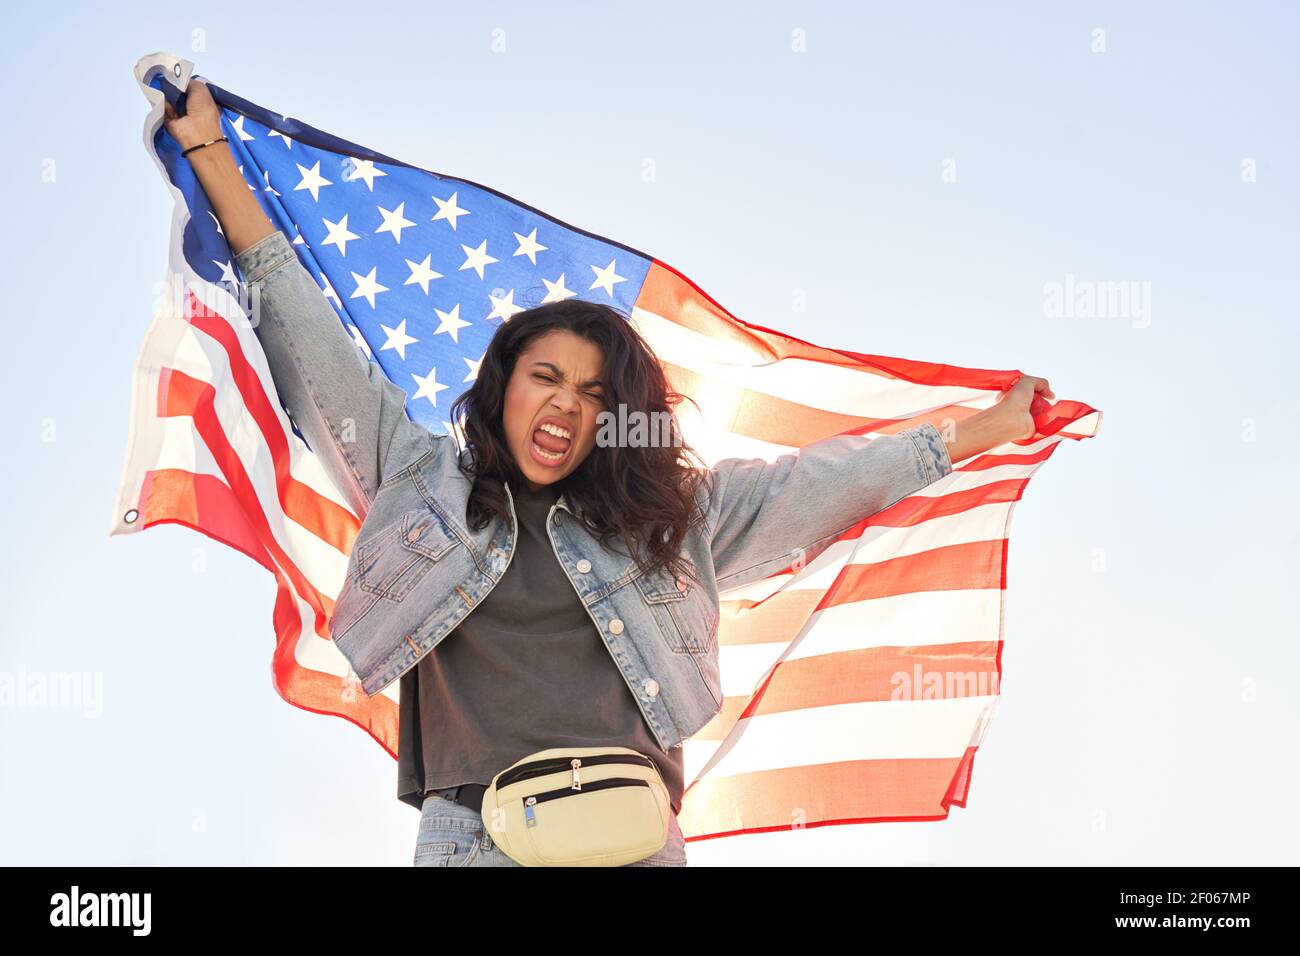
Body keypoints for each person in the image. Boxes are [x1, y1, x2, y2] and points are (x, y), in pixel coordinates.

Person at [164, 78, 1053, 867]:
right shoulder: (417, 475)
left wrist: (979, 429)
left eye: (594, 393)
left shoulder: (671, 516)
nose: (567, 404)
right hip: (476, 840)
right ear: (501, 388)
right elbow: (302, 328)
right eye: (545, 377)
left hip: (636, 839)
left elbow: (823, 482)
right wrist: (209, 152)